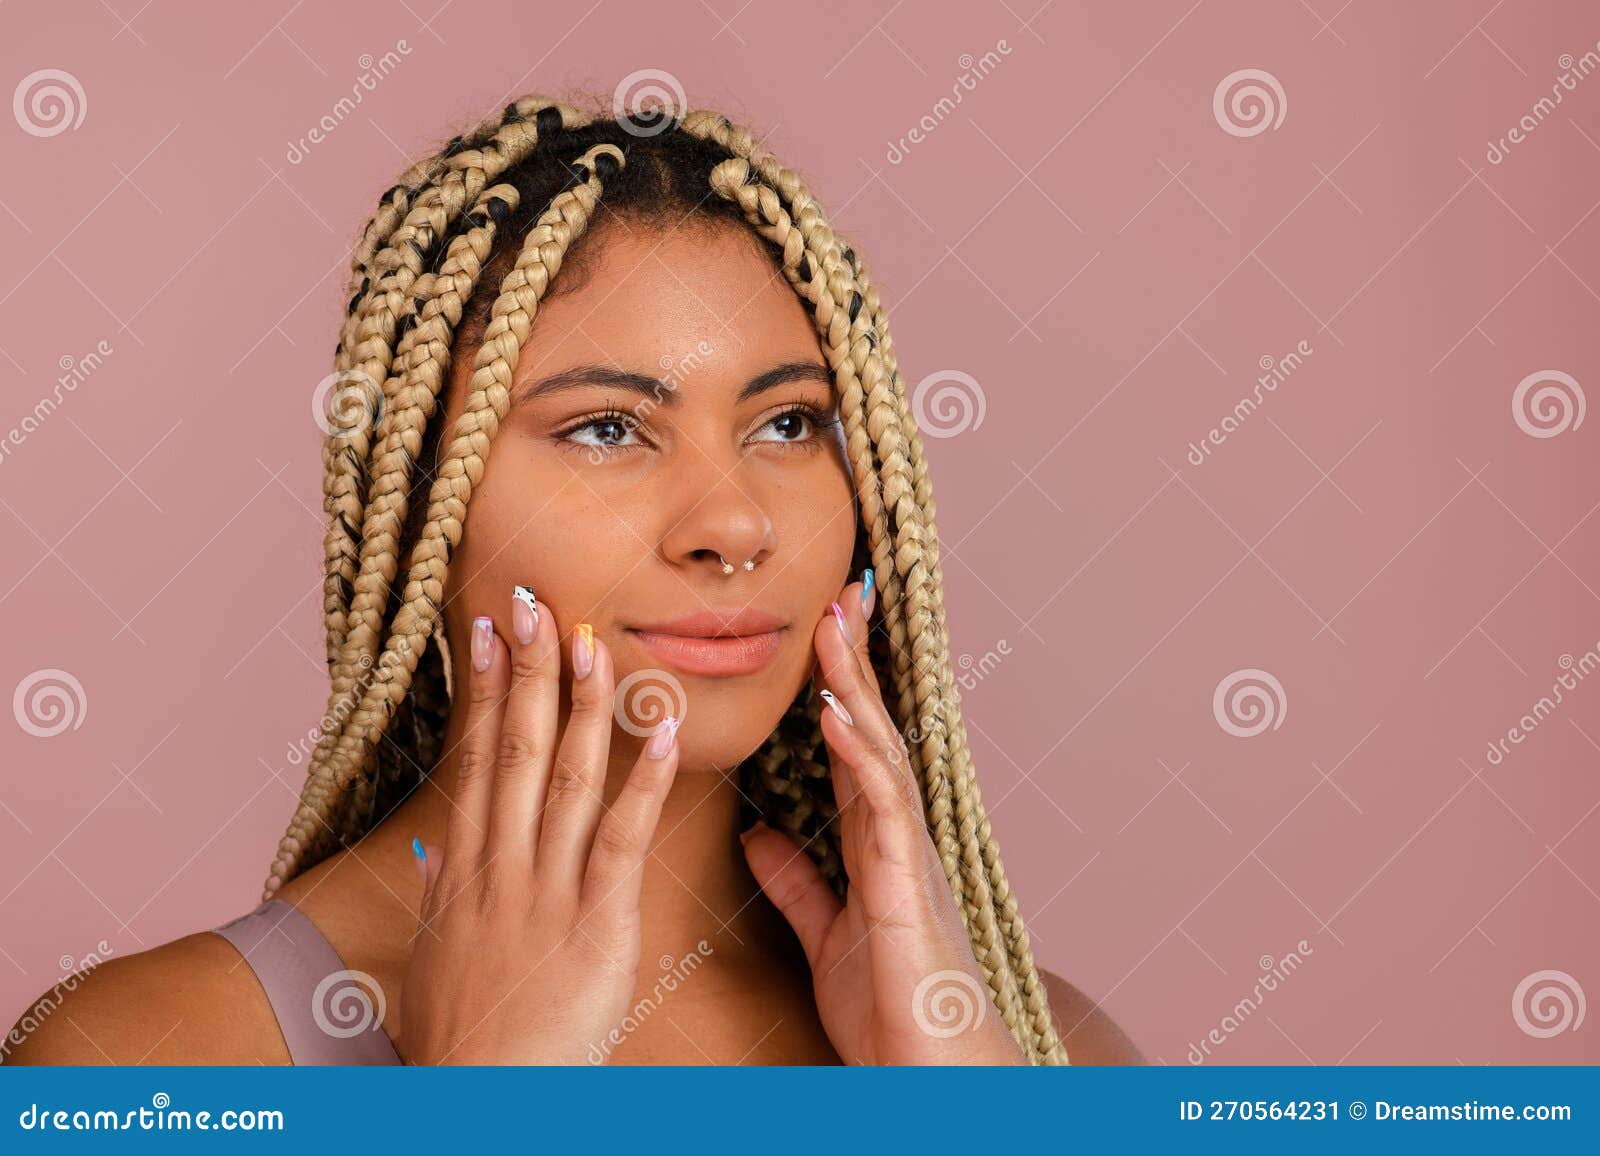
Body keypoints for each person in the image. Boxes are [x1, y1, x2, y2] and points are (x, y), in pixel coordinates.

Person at [7, 94, 1140, 1066]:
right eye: (607, 428)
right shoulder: (155, 1054)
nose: (735, 522)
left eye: (790, 421)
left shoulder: (1041, 1051)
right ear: (421, 513)